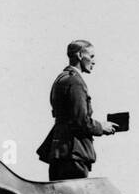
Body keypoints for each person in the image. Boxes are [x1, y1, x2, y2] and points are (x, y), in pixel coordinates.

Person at [34, 40, 117, 181]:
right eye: (91, 56)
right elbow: (80, 120)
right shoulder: (75, 82)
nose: (94, 61)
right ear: (79, 55)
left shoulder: (62, 78)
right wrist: (101, 127)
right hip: (73, 155)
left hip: (60, 153)